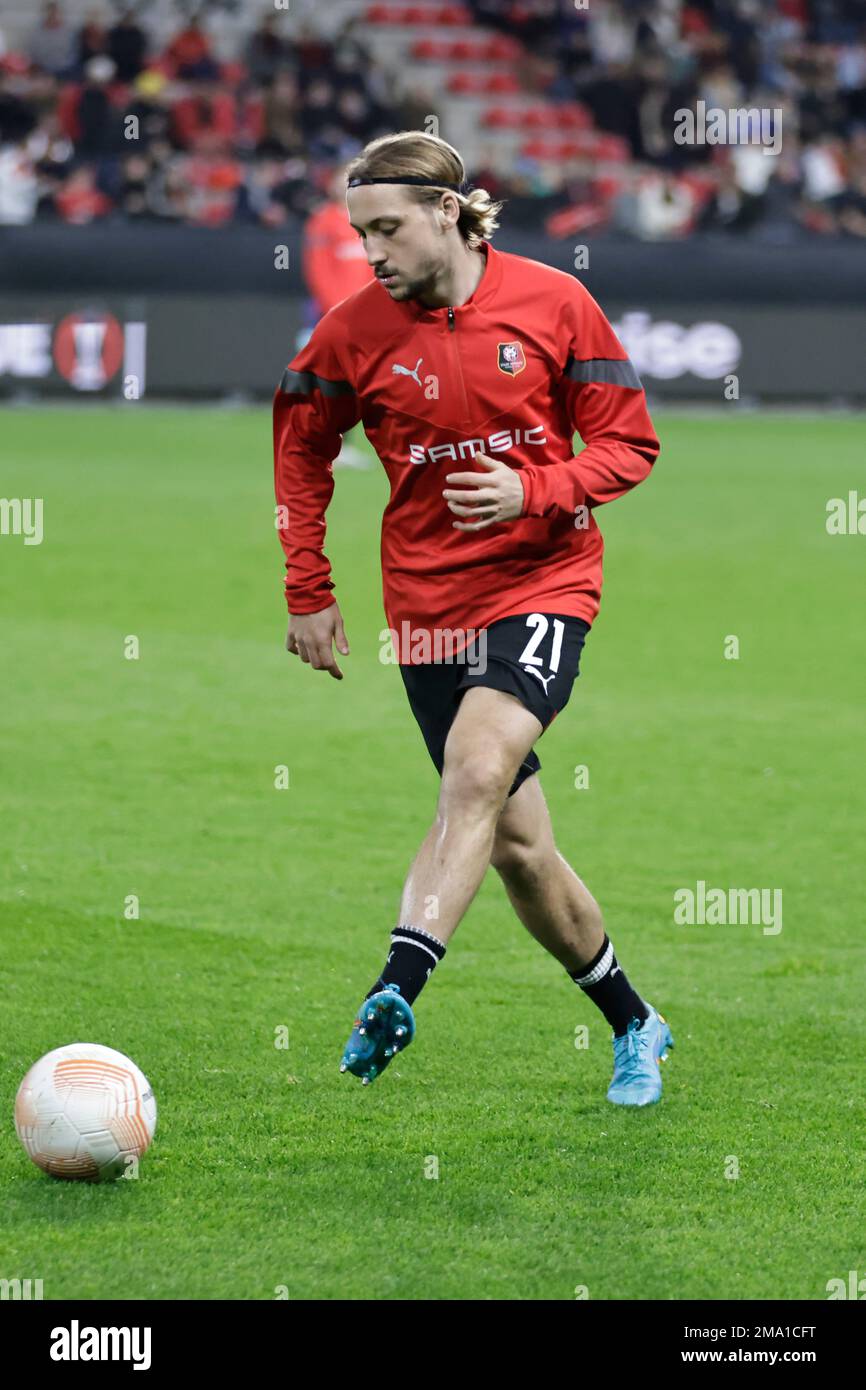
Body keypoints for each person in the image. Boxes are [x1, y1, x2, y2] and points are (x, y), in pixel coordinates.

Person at [273, 131, 673, 1106]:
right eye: (358, 232)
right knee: (516, 846)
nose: (369, 252)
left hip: (542, 579)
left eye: (386, 229)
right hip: (425, 605)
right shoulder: (352, 331)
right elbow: (300, 449)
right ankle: (634, 1021)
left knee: (478, 765)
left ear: (446, 212)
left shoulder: (553, 303)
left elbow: (629, 443)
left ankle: (396, 987)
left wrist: (536, 487)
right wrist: (307, 590)